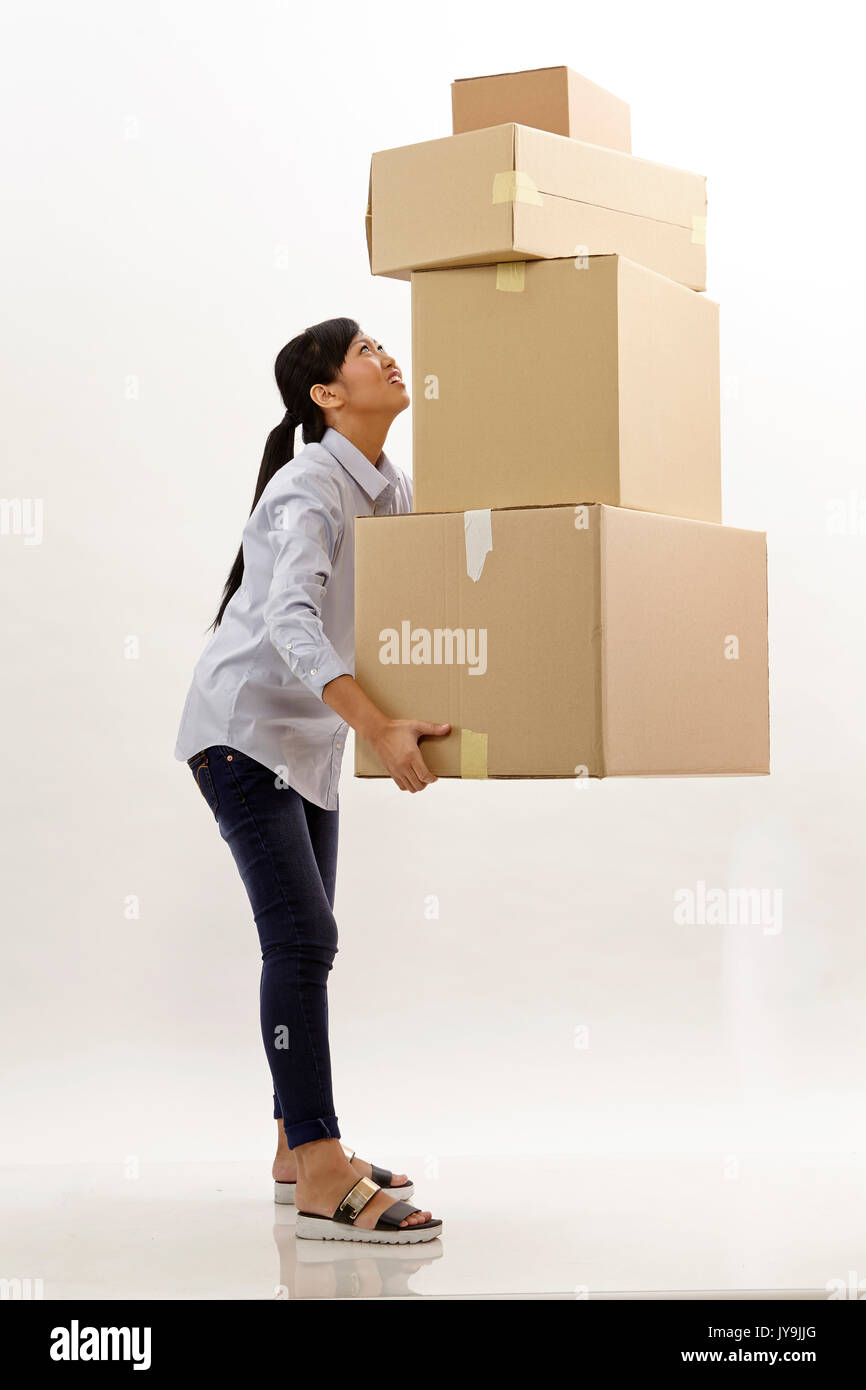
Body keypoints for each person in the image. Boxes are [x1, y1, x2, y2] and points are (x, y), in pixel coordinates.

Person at [174, 318, 449, 1244]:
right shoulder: (308, 489)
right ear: (326, 395)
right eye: (364, 350)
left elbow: (410, 605)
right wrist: (377, 725)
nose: (386, 355)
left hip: (308, 741)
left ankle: (295, 1146)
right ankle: (325, 1167)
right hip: (243, 731)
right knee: (303, 940)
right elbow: (293, 622)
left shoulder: (390, 486)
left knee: (307, 941)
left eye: (381, 342)